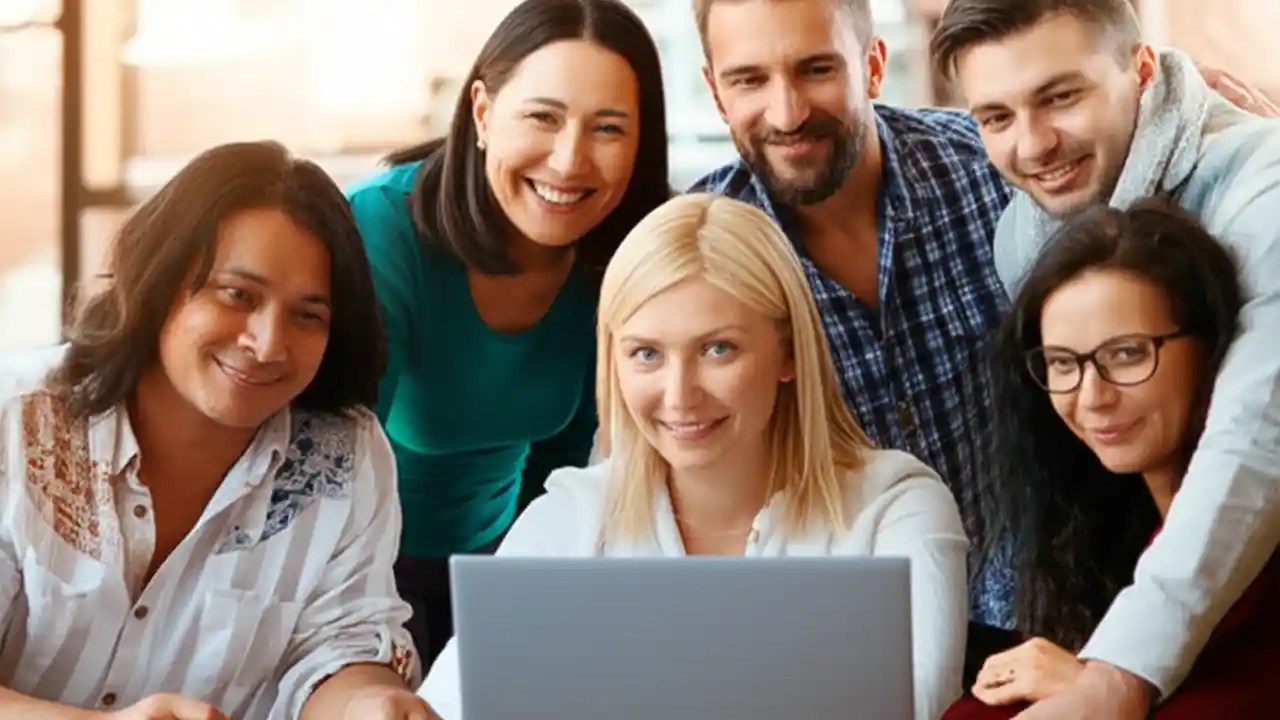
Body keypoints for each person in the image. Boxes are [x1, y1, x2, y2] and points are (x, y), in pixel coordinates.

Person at [685, 0, 1276, 635]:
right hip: (853, 635)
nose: (788, 112)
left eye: (817, 68)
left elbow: (1137, 174)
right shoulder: (701, 254)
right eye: (749, 79)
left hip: (1069, 607)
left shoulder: (1001, 169)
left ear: (873, 65)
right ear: (715, 91)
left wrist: (1192, 107)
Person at [416, 193, 969, 720]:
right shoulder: (571, 517)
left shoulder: (896, 509)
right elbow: (451, 706)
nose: (680, 395)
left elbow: (916, 707)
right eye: (646, 354)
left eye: (717, 349)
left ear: (789, 353)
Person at [931, 0, 1280, 716]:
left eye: (1061, 96)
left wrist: (1117, 676)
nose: (1032, 146)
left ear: (1142, 69)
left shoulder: (1261, 190)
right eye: (995, 118)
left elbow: (1257, 436)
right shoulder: (1025, 237)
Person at [0, 141, 428, 719]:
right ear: (161, 279)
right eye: (238, 295)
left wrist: (368, 705)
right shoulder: (16, 418)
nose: (268, 343)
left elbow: (338, 645)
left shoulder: (345, 456)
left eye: (307, 315)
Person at [345, 0, 671, 667]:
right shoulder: (385, 228)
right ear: (483, 112)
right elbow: (335, 459)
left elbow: (563, 456)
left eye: (608, 129)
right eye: (543, 117)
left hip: (503, 556)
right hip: (358, 569)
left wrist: (523, 582)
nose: (570, 160)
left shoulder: (621, 257)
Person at [942, 199, 1279, 718]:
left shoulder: (1249, 550)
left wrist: (1079, 682)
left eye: (1127, 354)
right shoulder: (1103, 534)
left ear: (1211, 348)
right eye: (1063, 363)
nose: (1092, 396)